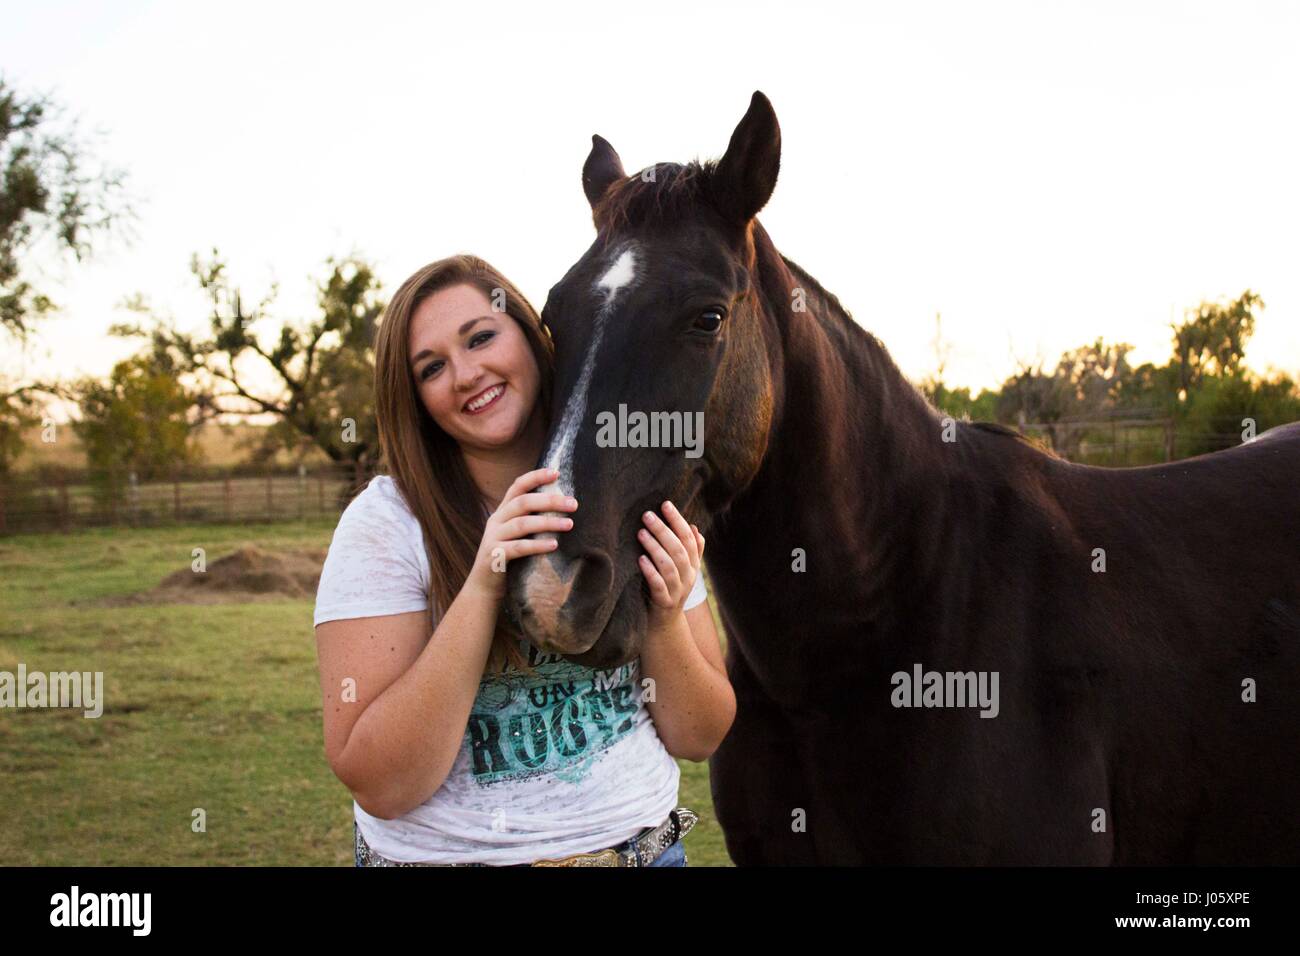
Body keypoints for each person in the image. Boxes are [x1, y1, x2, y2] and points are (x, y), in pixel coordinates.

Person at [313, 254, 736, 866]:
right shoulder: (386, 526)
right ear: (417, 399)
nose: (464, 373)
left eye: (481, 337)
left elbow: (701, 734)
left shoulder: (632, 483)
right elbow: (383, 783)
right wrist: (484, 585)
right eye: (432, 368)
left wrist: (666, 620)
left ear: (534, 337)